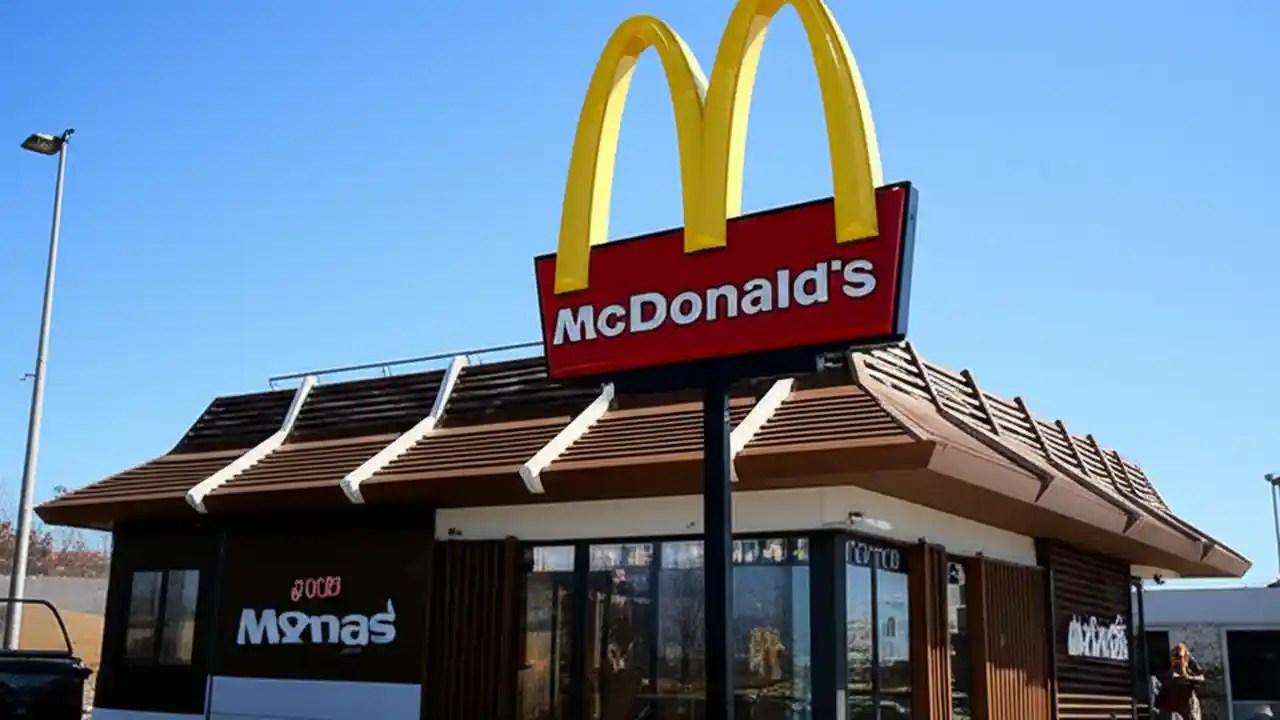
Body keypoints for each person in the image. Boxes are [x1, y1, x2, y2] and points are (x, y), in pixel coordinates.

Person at [1154, 642, 1205, 720]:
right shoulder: (1168, 667)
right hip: (1172, 705)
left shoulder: (1190, 663)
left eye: (1179, 658)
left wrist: (1189, 678)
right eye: (1174, 658)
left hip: (1188, 706)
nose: (1177, 661)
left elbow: (1201, 677)